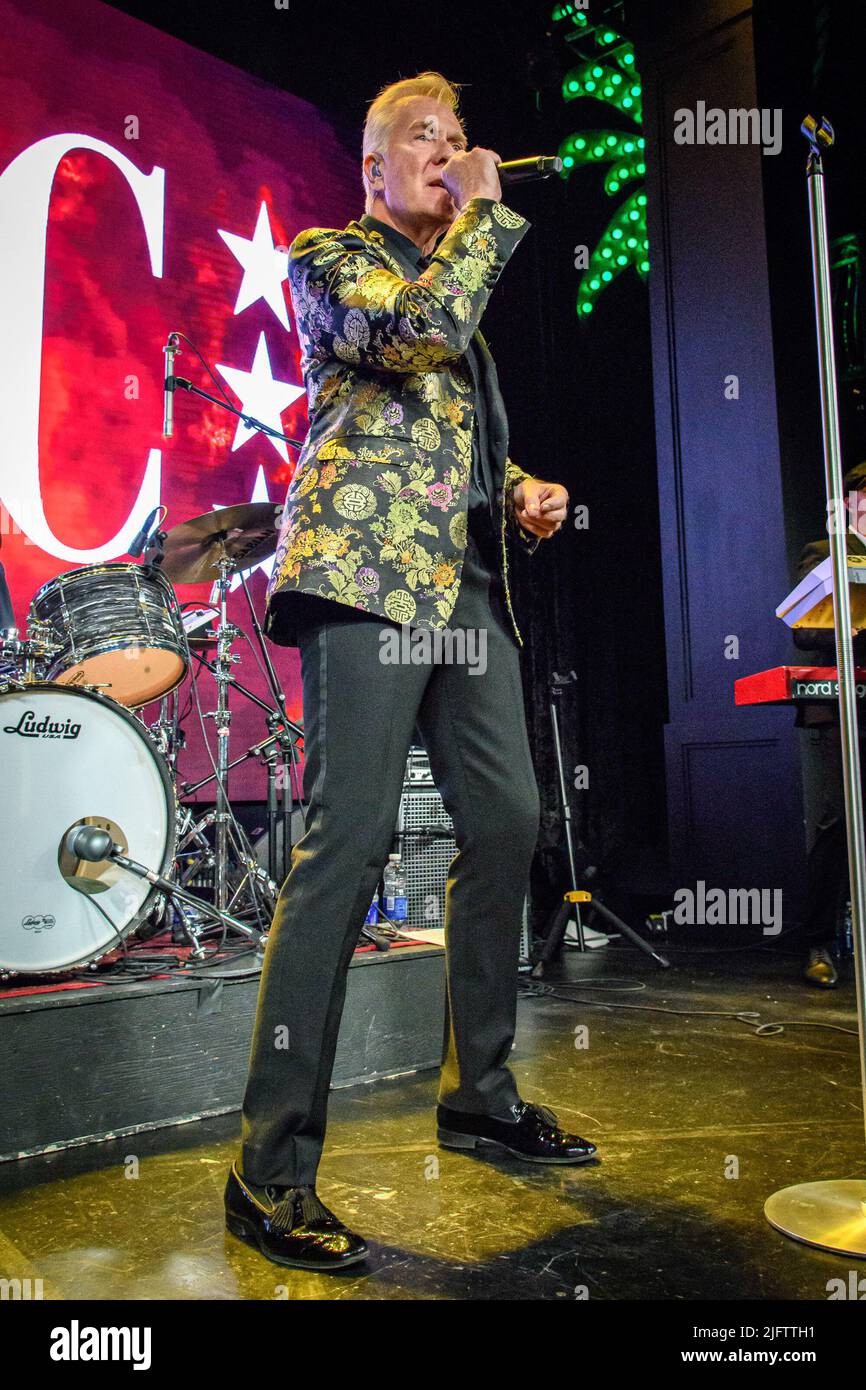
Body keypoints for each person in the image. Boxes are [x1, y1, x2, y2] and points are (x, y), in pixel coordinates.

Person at [225, 72, 593, 1273]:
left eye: (458, 137)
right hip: (361, 579)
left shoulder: (462, 306)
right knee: (350, 842)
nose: (447, 150)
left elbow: (453, 429)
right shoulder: (332, 257)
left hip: (463, 598)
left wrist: (519, 488)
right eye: (419, 140)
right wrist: (484, 215)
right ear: (373, 171)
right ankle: (268, 1167)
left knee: (507, 819)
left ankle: (477, 1090)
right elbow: (409, 336)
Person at [793, 462, 866, 988]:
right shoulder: (826, 553)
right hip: (839, 706)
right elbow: (805, 632)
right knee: (838, 823)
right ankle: (818, 941)